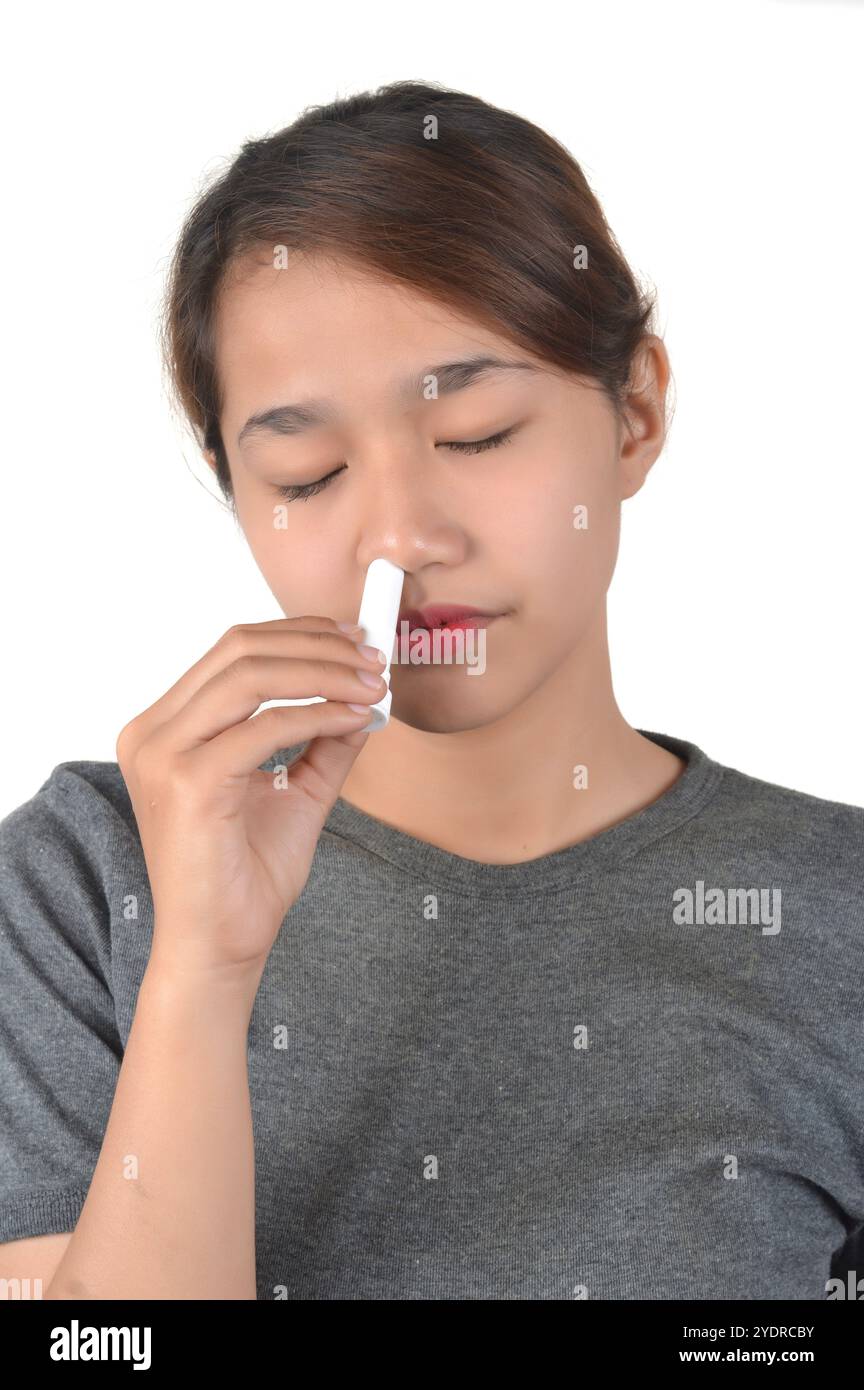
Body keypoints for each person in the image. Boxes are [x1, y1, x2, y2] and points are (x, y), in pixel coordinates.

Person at [1, 80, 862, 1302]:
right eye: (309, 469)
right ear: (232, 481)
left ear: (634, 413)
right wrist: (199, 971)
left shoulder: (836, 915)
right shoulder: (84, 886)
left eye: (475, 435)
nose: (399, 535)